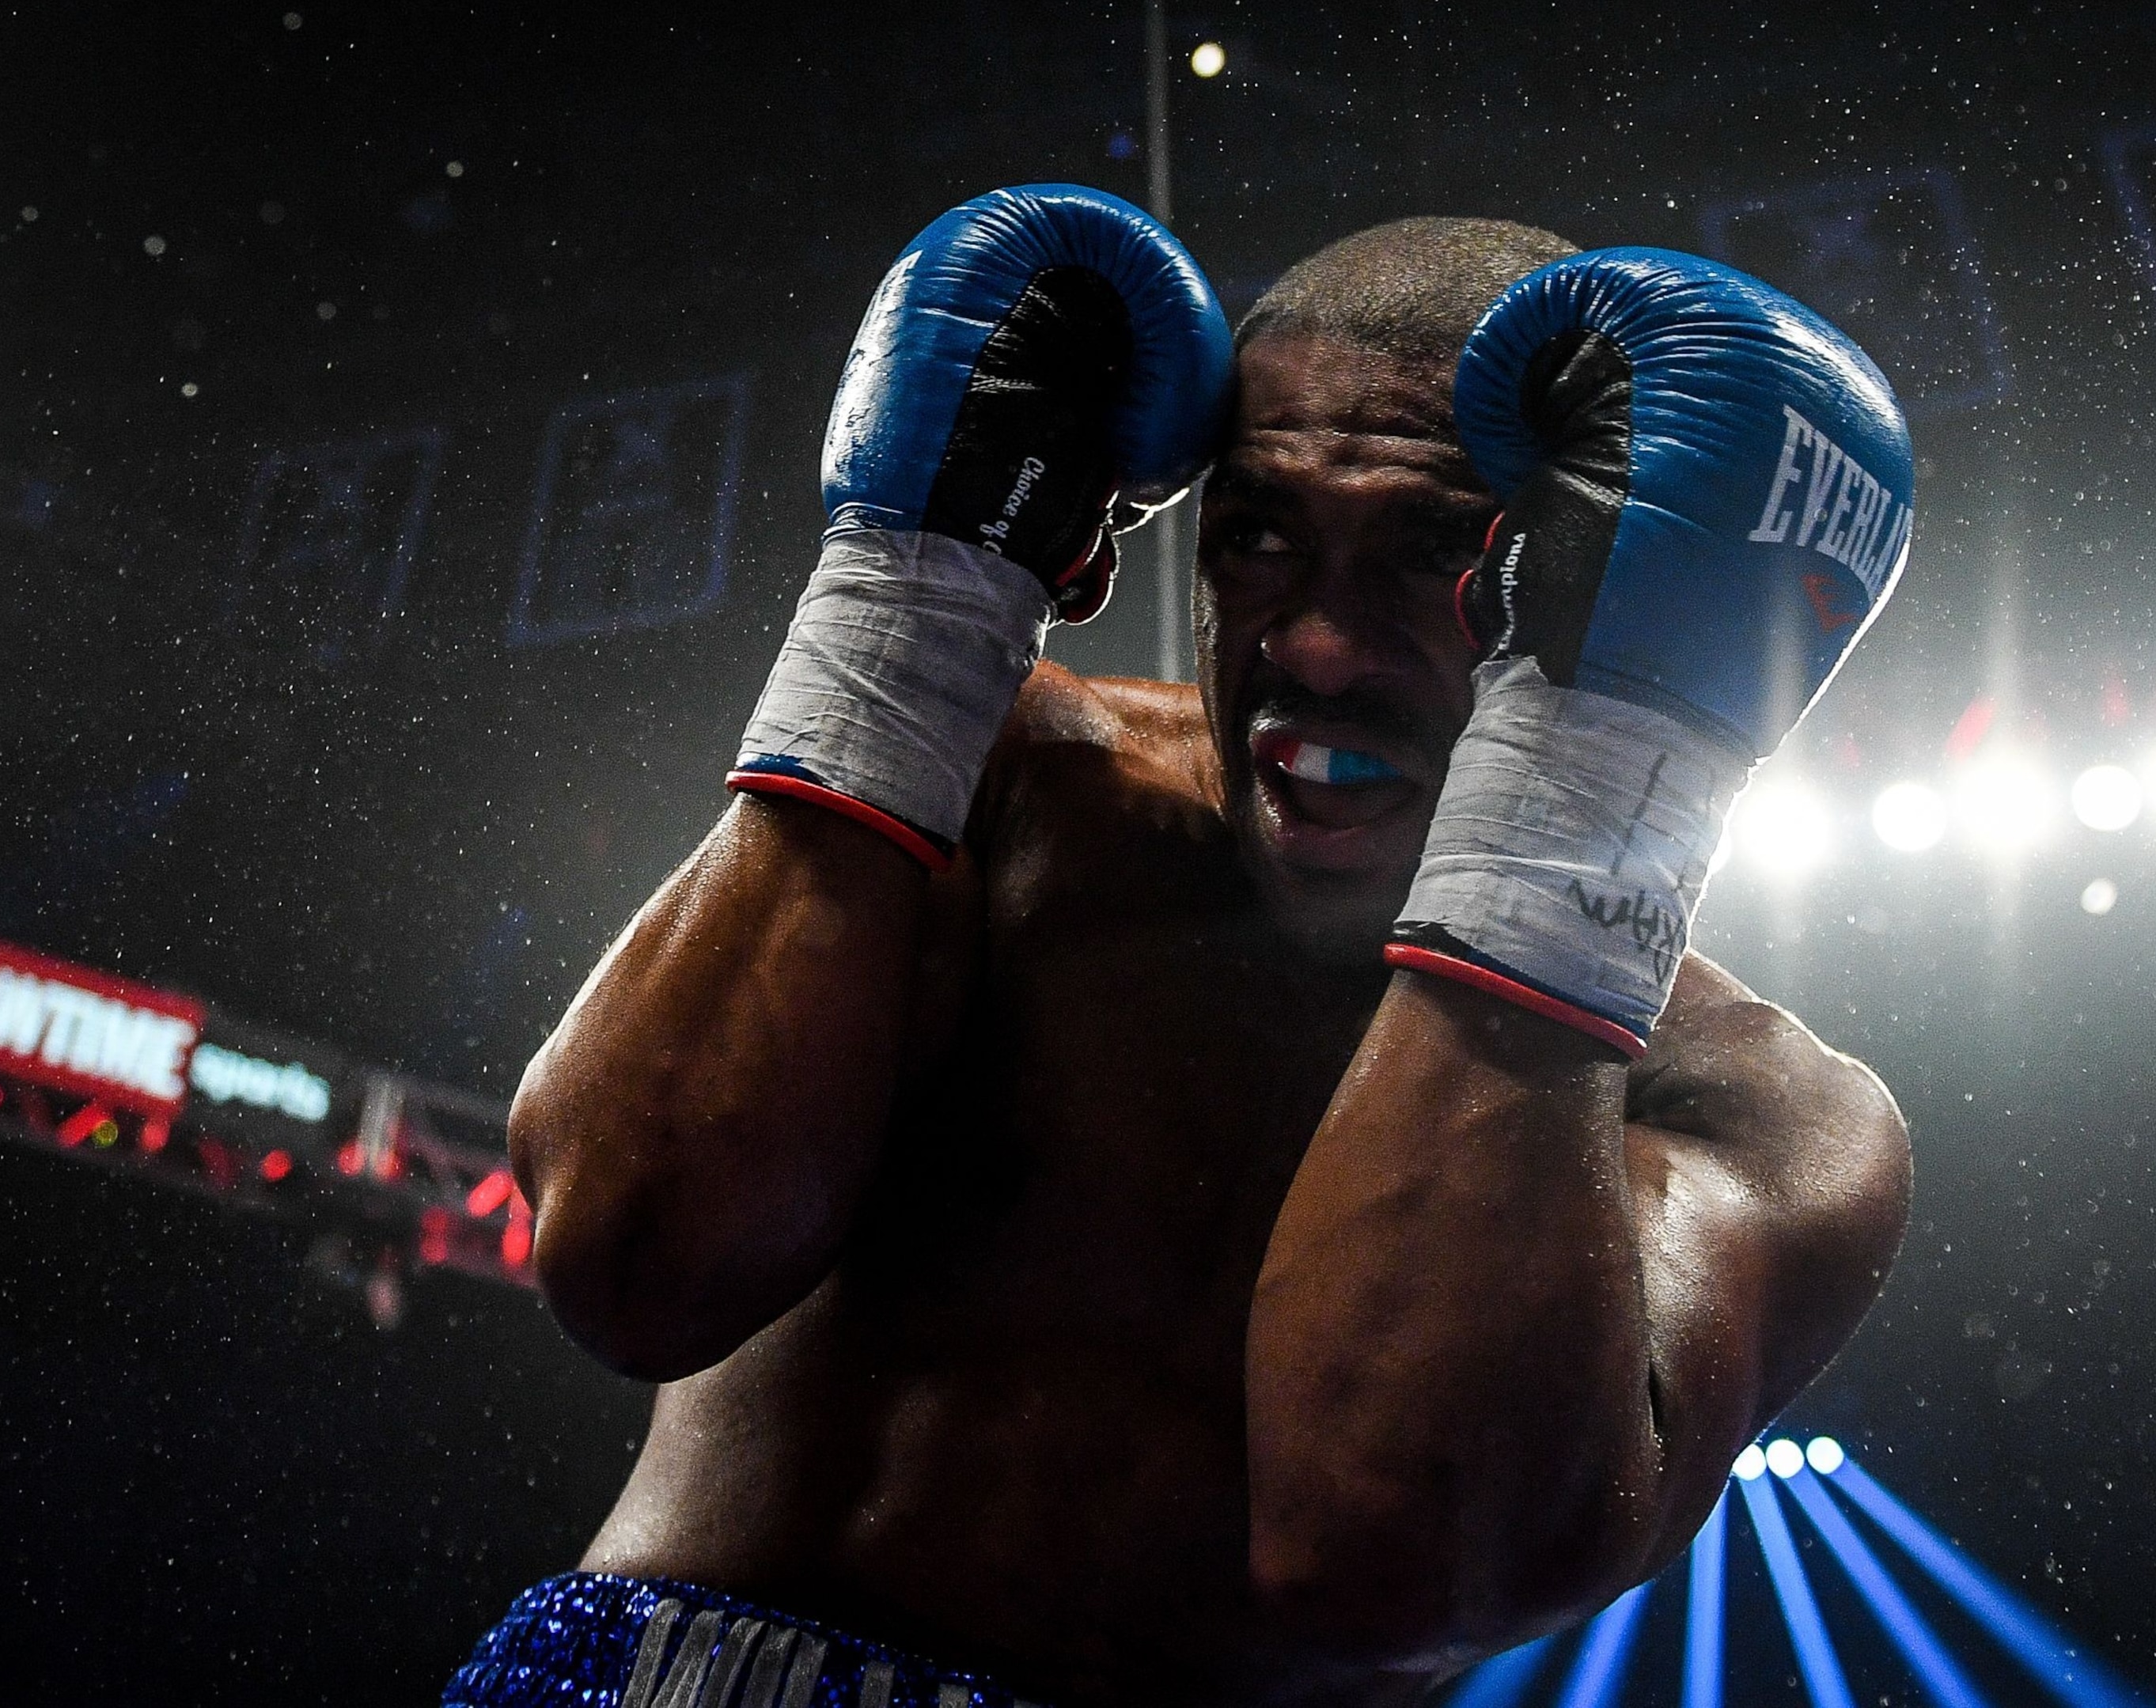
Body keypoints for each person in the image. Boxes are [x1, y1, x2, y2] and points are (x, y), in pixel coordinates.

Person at [447, 186, 1916, 1708]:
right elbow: (629, 1258)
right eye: (1261, 541)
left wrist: (1594, 776)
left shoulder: (1753, 1114)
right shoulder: (1021, 788)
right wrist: (908, 613)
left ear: (1610, 601)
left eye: (1433, 556)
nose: (1318, 647)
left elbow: (1397, 1550)